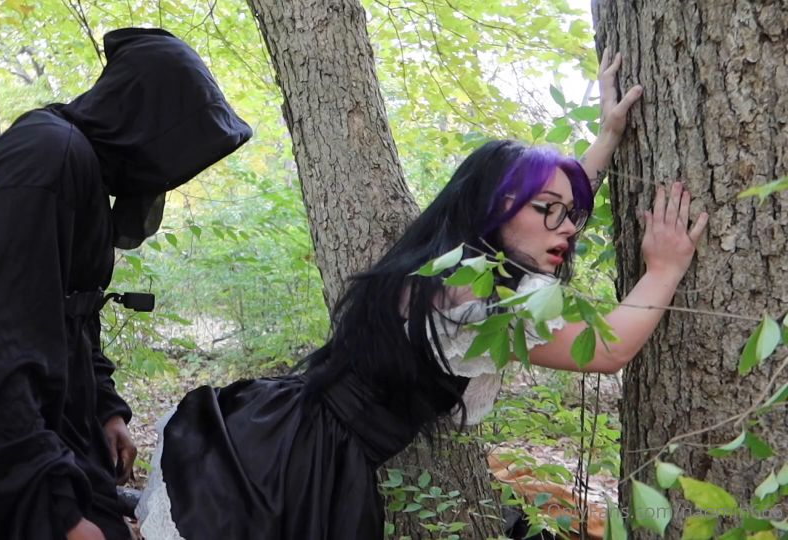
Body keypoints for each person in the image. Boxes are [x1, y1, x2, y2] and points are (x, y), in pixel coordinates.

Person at [135, 50, 705, 539]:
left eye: (572, 214)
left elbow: (544, 208)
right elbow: (606, 351)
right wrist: (665, 268)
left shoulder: (452, 263)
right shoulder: (477, 300)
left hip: (283, 424)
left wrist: (606, 138)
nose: (569, 228)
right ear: (493, 209)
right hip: (299, 463)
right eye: (549, 210)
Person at [0, 28, 252, 540]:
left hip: (47, 439)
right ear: (142, 118)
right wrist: (57, 510)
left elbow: (70, 315)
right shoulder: (44, 159)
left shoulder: (75, 161)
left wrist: (105, 411)